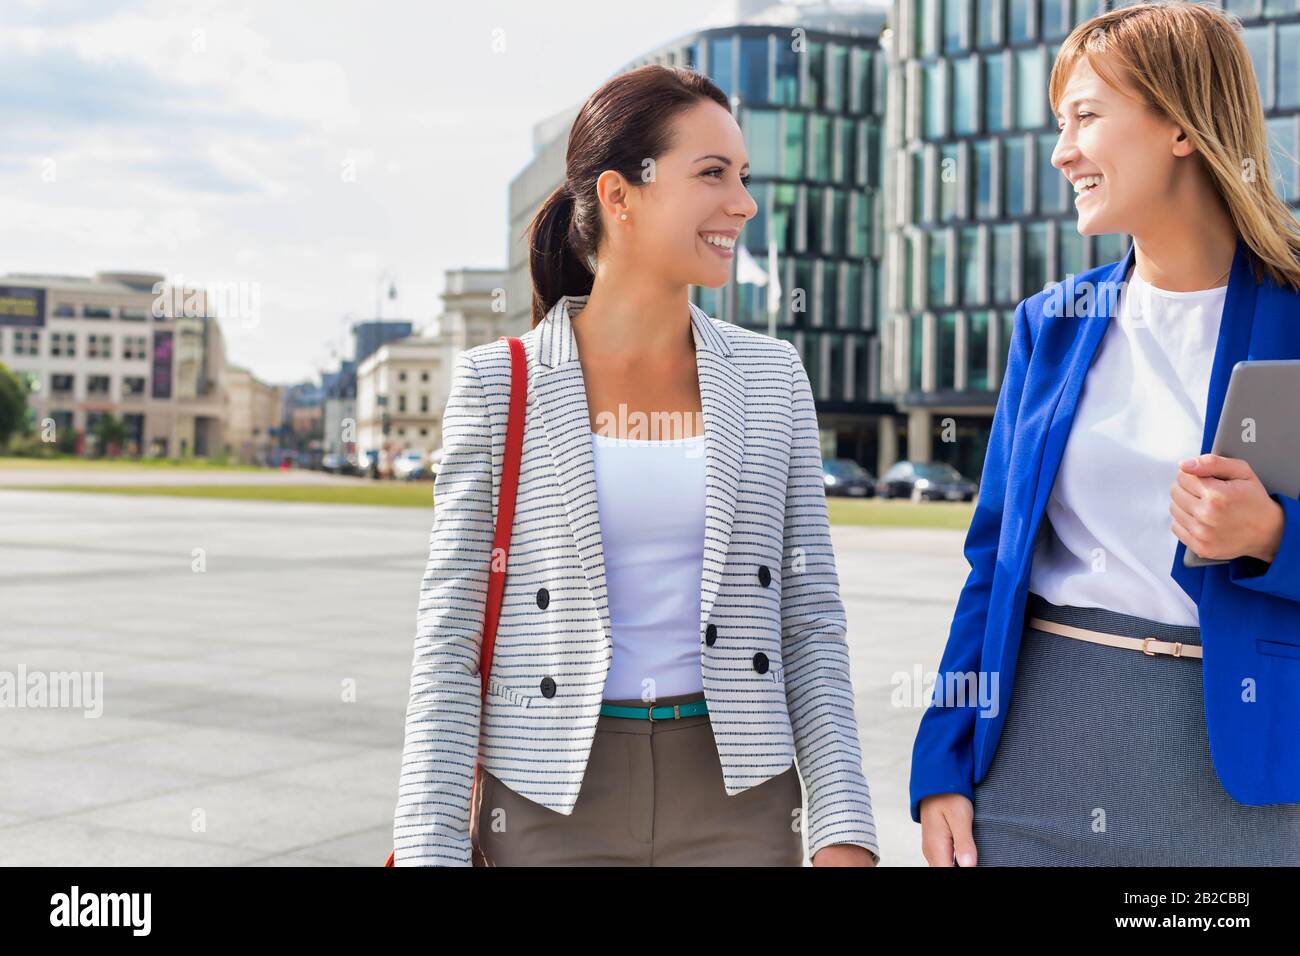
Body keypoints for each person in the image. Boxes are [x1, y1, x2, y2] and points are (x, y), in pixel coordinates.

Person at [392, 64, 879, 866]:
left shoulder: (772, 377)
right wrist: (427, 848)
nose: (743, 203)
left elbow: (811, 622)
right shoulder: (498, 382)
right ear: (620, 196)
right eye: (712, 174)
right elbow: (450, 639)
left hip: (743, 799)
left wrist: (843, 827)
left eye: (744, 176)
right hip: (545, 798)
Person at [910, 1, 1300, 866]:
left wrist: (1274, 537)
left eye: (1087, 117)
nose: (1062, 151)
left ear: (1182, 129)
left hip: (1247, 770)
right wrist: (943, 760)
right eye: (1060, 123)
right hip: (1035, 759)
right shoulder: (1050, 325)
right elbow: (994, 562)